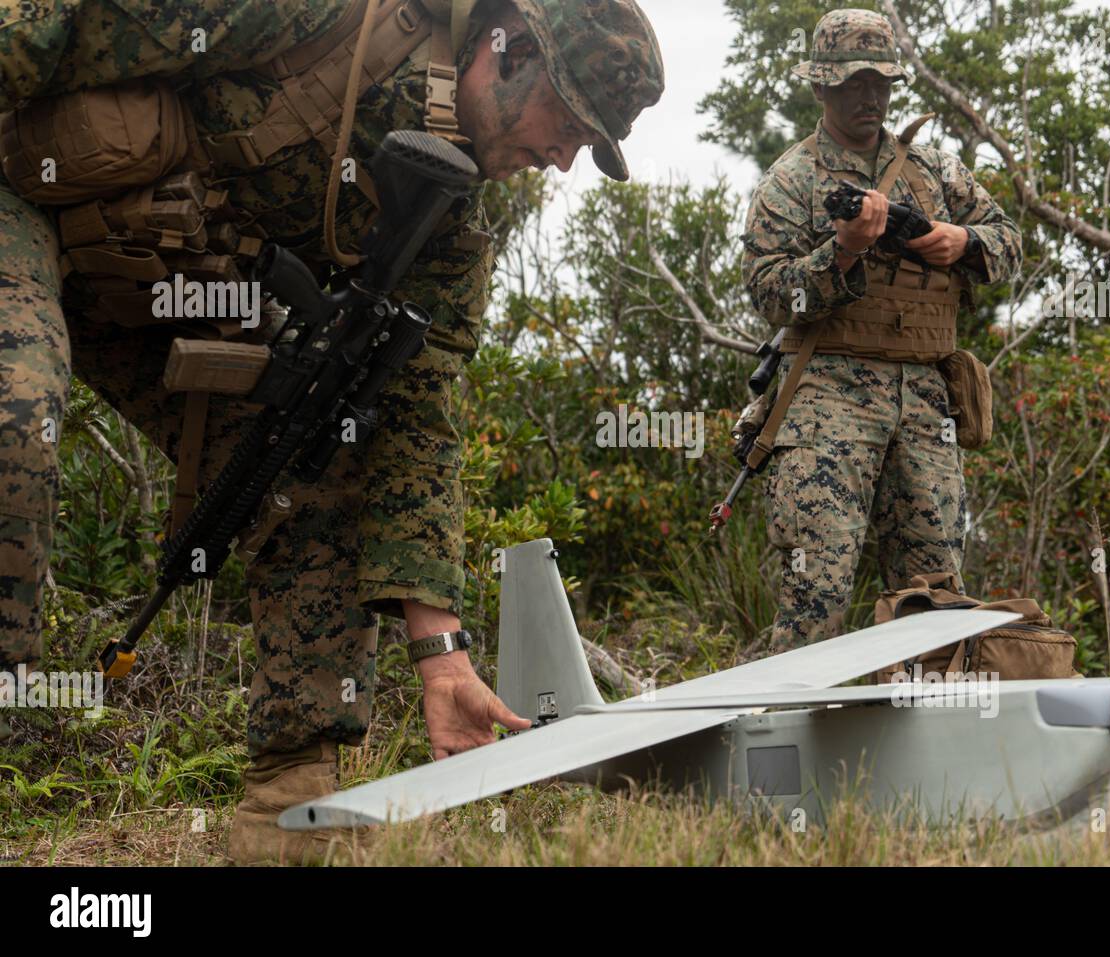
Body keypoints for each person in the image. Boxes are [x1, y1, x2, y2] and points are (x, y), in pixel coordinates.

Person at [0, 0, 664, 863]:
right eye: (569, 122)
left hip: (155, 289)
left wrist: (443, 655)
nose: (565, 159)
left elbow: (420, 412)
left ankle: (287, 810)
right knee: (17, 413)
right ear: (510, 52)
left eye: (589, 145)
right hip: (28, 199)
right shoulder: (320, 18)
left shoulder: (453, 216)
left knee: (318, 466)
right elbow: (63, 19)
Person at [742, 8, 1022, 652]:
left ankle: (927, 735)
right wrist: (838, 256)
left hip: (925, 397)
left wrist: (962, 241)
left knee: (936, 595)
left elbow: (1009, 243)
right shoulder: (791, 181)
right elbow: (768, 293)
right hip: (827, 399)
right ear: (820, 87)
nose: (870, 96)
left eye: (881, 83)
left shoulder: (935, 172)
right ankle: (788, 737)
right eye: (852, 83)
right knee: (816, 594)